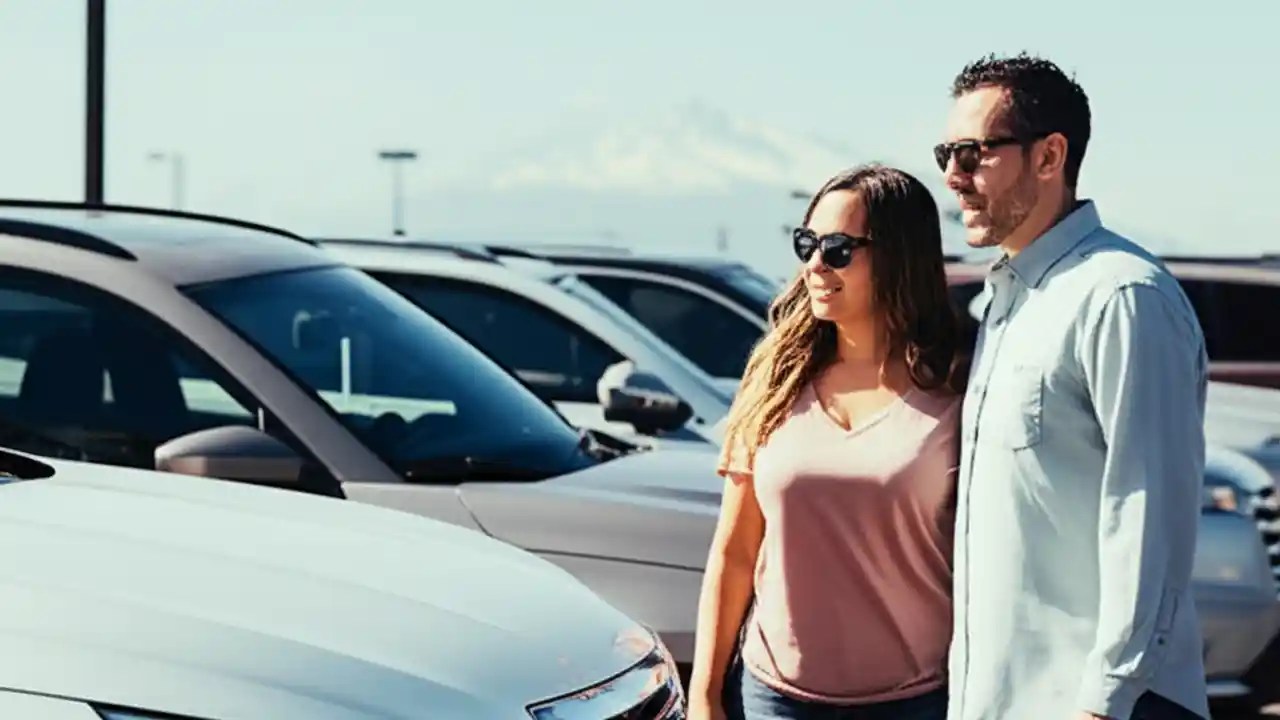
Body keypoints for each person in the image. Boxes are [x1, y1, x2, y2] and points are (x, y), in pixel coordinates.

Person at [937, 53, 1210, 720]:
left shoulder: (1121, 296)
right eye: (945, 152)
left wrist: (1104, 700)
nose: (953, 176)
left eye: (972, 154)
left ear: (1049, 156)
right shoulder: (1008, 299)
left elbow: (1148, 514)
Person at [686, 163, 968, 720]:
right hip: (774, 698)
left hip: (916, 703)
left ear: (898, 258)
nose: (815, 264)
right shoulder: (775, 376)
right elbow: (735, 551)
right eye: (807, 243)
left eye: (839, 249)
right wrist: (705, 691)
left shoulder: (959, 387)